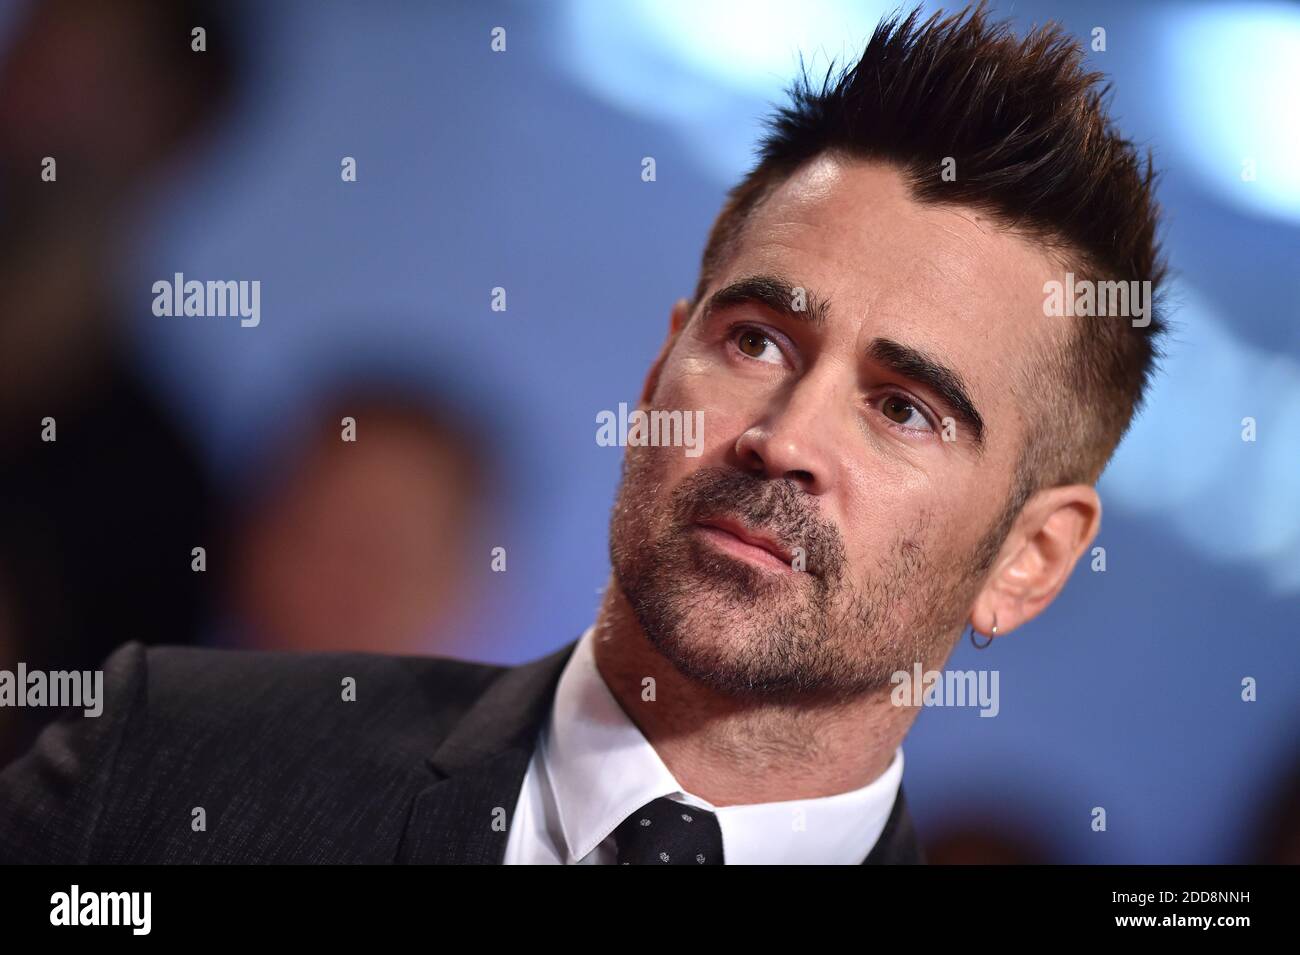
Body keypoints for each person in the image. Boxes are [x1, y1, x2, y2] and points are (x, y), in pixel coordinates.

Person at [0, 6, 1167, 864]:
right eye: (757, 341)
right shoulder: (176, 764)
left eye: (903, 408)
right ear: (666, 357)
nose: (784, 437)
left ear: (1032, 558)